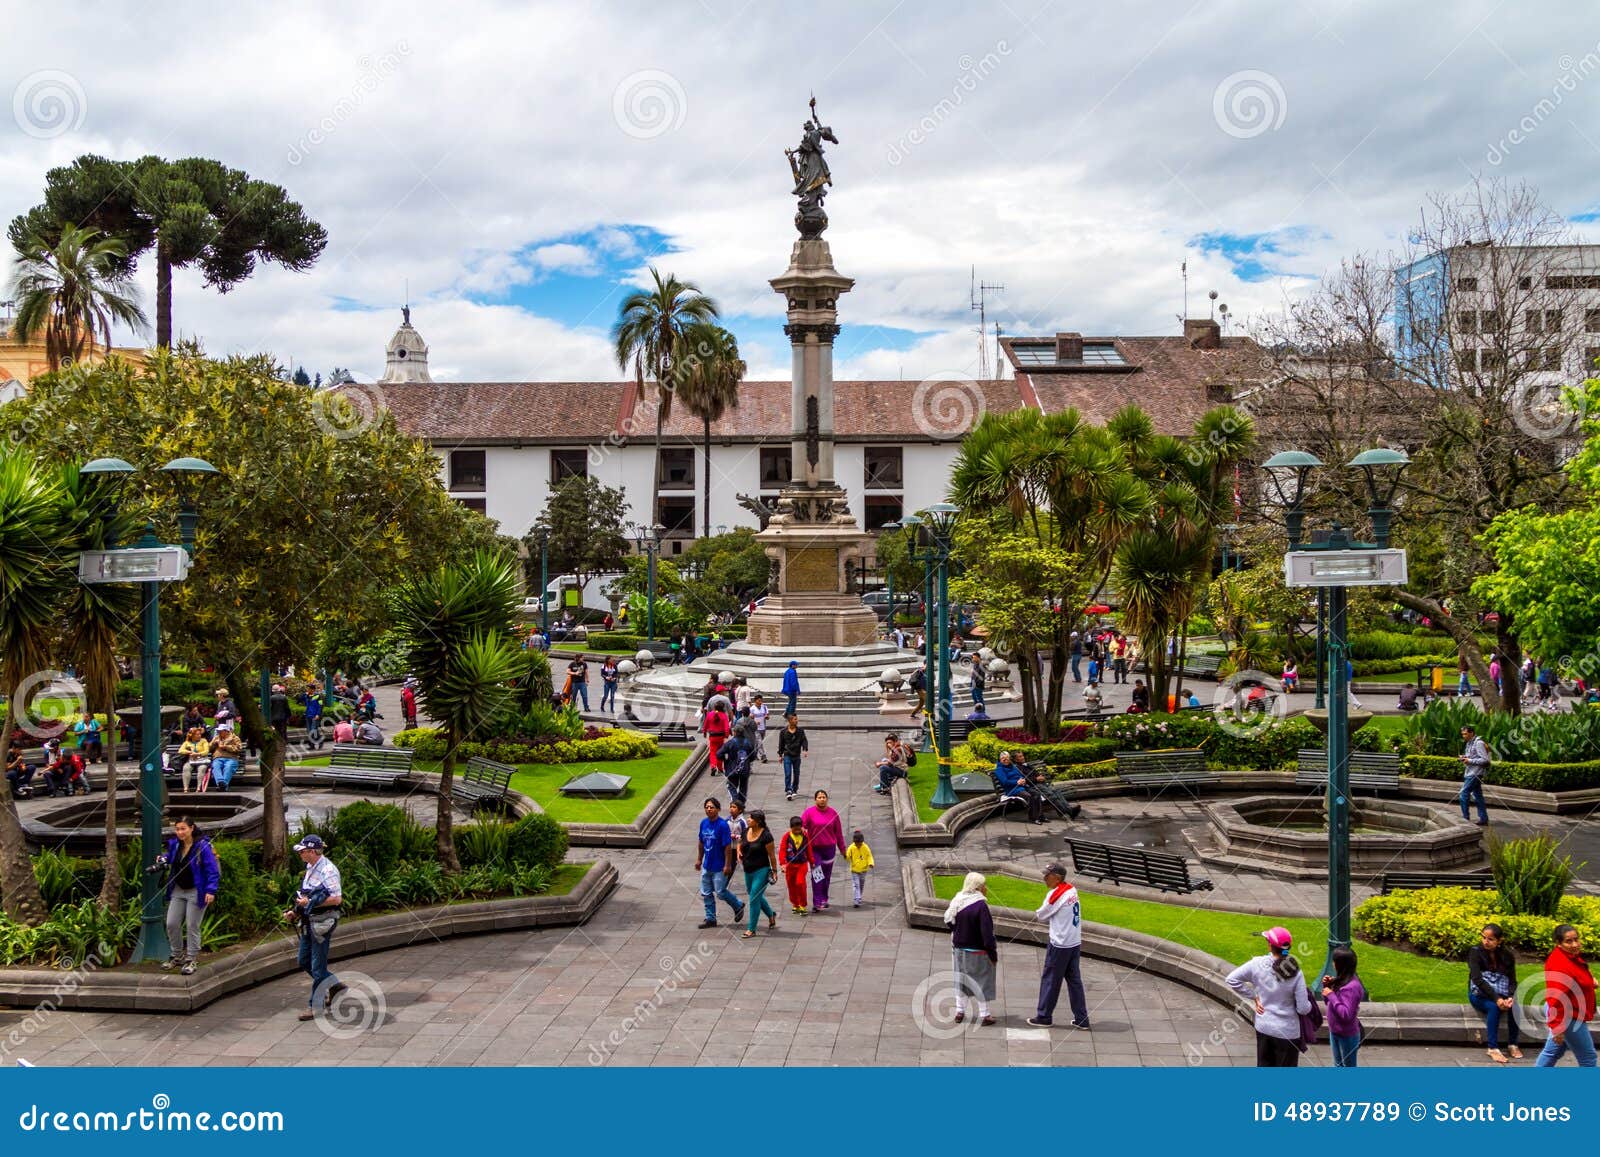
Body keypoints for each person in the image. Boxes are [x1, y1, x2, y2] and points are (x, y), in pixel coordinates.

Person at [1226, 926, 1312, 1067]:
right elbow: (1303, 1009)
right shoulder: (1297, 973)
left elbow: (1231, 979)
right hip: (1288, 1033)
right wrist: (1310, 1005)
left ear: (1270, 946)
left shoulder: (1256, 964)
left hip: (1264, 1027)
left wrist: (1254, 997)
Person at [287, 834, 345, 1021]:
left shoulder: (328, 870)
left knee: (318, 968)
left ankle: (315, 1006)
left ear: (312, 851)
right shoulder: (310, 867)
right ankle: (334, 985)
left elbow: (336, 899)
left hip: (322, 923)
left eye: (302, 851)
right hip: (308, 921)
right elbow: (306, 895)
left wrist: (311, 902)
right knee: (303, 960)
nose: (300, 854)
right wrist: (296, 911)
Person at [1027, 861, 1091, 1030]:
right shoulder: (1071, 889)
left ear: (1056, 877)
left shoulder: (1056, 895)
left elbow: (1041, 915)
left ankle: (1044, 1017)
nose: (1044, 878)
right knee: (1074, 981)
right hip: (1074, 942)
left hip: (1060, 945)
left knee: (1050, 981)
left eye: (1047, 875)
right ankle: (1081, 1018)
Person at [159, 817, 221, 976]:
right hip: (178, 889)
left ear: (191, 828)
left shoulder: (202, 846)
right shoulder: (176, 844)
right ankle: (177, 955)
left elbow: (212, 870)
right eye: (177, 829)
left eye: (183, 829)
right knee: (171, 923)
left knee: (193, 925)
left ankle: (191, 959)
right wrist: (163, 858)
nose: (180, 832)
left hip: (197, 890)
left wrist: (210, 890)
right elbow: (170, 857)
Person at [1536, 924, 1597, 1067]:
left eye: (1576, 939)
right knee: (1588, 1058)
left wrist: (1590, 982)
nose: (1575, 944)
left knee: (1552, 1053)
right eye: (1568, 941)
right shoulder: (1560, 964)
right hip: (1567, 1016)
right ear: (1558, 943)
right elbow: (1556, 999)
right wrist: (1557, 1027)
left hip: (1566, 1014)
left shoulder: (1569, 956)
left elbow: (1576, 977)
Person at [943, 872, 998, 1026]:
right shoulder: (981, 906)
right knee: (982, 982)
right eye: (984, 886)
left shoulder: (958, 900)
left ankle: (960, 1012)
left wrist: (959, 932)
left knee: (960, 982)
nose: (986, 888)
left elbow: (949, 920)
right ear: (978, 888)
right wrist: (993, 955)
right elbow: (987, 934)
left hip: (959, 949)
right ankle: (985, 1015)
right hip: (978, 951)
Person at [1468, 922, 1523, 1063]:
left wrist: (1510, 997)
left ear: (1499, 941)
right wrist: (1497, 999)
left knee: (1515, 1007)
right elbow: (1477, 979)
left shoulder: (1507, 956)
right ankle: (1492, 1048)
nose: (1485, 942)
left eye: (1490, 939)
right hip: (1479, 993)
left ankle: (1513, 1044)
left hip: (1502, 992)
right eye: (1483, 937)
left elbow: (1512, 981)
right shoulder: (1475, 952)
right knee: (1493, 1007)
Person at [694, 797, 744, 929]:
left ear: (718, 809)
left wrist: (727, 865)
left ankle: (738, 905)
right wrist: (699, 859)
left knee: (720, 892)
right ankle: (710, 918)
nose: (709, 809)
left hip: (720, 866)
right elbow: (701, 842)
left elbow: (727, 847)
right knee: (706, 892)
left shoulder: (722, 825)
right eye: (707, 807)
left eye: (712, 807)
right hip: (707, 865)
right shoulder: (704, 823)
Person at [1321, 946, 1366, 1067]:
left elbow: (1346, 1015)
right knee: (1338, 1064)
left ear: (1340, 965)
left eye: (1334, 961)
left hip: (1347, 1035)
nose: (1332, 963)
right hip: (1335, 1031)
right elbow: (1329, 1003)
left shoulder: (1352, 988)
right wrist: (1327, 986)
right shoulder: (1341, 981)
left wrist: (1331, 995)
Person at [801, 789, 845, 911]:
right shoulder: (809, 813)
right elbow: (801, 825)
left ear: (827, 799)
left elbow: (839, 833)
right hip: (814, 849)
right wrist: (802, 830)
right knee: (817, 875)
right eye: (819, 797)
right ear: (815, 799)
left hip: (829, 849)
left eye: (824, 797)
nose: (822, 799)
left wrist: (843, 849)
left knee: (826, 875)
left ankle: (824, 898)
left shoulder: (833, 814)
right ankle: (817, 902)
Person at [738, 808, 778, 938]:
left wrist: (775, 871)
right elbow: (740, 842)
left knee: (754, 898)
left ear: (758, 821)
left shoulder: (766, 836)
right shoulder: (745, 831)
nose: (748, 819)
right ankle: (771, 914)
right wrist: (738, 851)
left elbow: (772, 856)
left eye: (751, 818)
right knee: (755, 895)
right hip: (748, 870)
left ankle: (751, 929)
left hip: (762, 870)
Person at [993, 750, 1044, 824]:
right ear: (1000, 760)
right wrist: (1016, 782)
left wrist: (1022, 780)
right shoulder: (999, 770)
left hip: (1022, 786)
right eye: (1003, 759)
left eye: (1007, 758)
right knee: (1029, 796)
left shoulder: (1013, 766)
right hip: (1012, 789)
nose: (1005, 760)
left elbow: (1020, 775)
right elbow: (1005, 782)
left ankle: (1040, 816)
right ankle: (1033, 818)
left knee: (1036, 794)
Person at [780, 816, 812, 914]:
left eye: (799, 829)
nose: (798, 831)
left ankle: (802, 905)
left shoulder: (805, 836)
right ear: (791, 827)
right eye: (795, 829)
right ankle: (795, 904)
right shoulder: (786, 836)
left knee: (800, 883)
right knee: (791, 885)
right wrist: (782, 863)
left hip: (802, 864)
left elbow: (809, 849)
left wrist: (812, 861)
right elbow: (782, 850)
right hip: (790, 866)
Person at [1460, 724, 1490, 826]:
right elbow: (1472, 756)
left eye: (1465, 734)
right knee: (1478, 796)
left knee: (1463, 794)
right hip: (1470, 772)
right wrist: (1464, 757)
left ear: (1471, 733)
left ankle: (1465, 818)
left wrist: (1470, 760)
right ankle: (1483, 818)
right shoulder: (1469, 743)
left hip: (1475, 773)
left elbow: (1485, 760)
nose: (1463, 736)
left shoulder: (1478, 743)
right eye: (1462, 734)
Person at [777, 714, 808, 800]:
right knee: (788, 773)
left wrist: (805, 749)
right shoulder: (783, 731)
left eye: (796, 719)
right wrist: (780, 755)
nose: (797, 721)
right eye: (795, 719)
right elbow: (781, 744)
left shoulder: (800, 731)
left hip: (796, 755)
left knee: (796, 773)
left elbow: (804, 740)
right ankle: (788, 790)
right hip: (787, 755)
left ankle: (794, 788)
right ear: (790, 721)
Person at [173, 727, 212, 793]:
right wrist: (190, 752)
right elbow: (180, 750)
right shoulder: (187, 742)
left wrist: (198, 754)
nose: (199, 736)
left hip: (202, 760)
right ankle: (186, 788)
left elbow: (206, 751)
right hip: (191, 760)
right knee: (186, 768)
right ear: (192, 735)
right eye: (197, 734)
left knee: (202, 768)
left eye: (200, 734)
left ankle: (199, 788)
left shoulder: (203, 741)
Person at [721, 730, 753, 804]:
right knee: (743, 788)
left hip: (732, 769)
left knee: (731, 786)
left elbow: (719, 753)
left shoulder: (730, 743)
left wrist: (726, 761)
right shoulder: (748, 742)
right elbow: (753, 755)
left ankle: (735, 802)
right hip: (745, 769)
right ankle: (741, 804)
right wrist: (747, 761)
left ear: (735, 732)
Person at [844, 829, 874, 907]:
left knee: (861, 885)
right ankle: (856, 900)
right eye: (857, 844)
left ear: (862, 842)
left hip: (863, 870)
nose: (858, 845)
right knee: (856, 885)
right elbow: (848, 857)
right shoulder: (851, 847)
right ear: (854, 842)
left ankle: (859, 897)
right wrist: (845, 855)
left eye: (860, 844)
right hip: (854, 870)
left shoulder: (865, 847)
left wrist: (871, 863)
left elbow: (869, 856)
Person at [209, 722, 243, 788]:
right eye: (218, 731)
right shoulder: (216, 738)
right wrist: (214, 744)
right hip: (218, 758)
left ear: (226, 731)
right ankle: (221, 783)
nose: (219, 732)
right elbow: (209, 748)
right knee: (215, 766)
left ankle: (221, 785)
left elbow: (238, 749)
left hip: (231, 758)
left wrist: (226, 747)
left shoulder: (235, 738)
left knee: (228, 767)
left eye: (220, 731)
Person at [702, 697, 731, 775]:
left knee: (713, 752)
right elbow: (726, 727)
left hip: (712, 737)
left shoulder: (710, 714)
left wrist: (704, 732)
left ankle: (713, 766)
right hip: (721, 737)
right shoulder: (724, 715)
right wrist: (726, 735)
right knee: (720, 752)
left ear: (714, 707)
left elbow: (705, 724)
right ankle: (720, 768)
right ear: (723, 708)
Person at [749, 694, 770, 762]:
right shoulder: (752, 709)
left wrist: (767, 717)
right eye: (759, 700)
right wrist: (754, 721)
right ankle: (763, 756)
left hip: (763, 728)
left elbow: (767, 716)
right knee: (759, 742)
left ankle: (754, 755)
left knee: (757, 743)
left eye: (761, 700)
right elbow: (750, 718)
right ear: (755, 701)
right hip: (755, 728)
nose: (760, 702)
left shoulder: (764, 707)